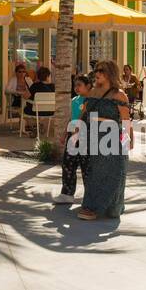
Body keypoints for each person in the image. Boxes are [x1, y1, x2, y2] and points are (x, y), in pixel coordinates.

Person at [76, 60, 131, 220]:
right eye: (96, 70)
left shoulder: (119, 94)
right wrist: (75, 131)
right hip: (94, 136)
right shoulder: (92, 92)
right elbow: (84, 114)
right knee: (95, 173)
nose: (97, 73)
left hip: (112, 136)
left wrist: (128, 141)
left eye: (101, 71)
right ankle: (91, 206)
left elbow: (126, 119)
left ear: (110, 74)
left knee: (115, 172)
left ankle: (112, 206)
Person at [56, 74, 92, 203]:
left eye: (79, 85)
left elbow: (84, 118)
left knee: (86, 166)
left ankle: (90, 195)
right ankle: (67, 194)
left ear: (88, 86)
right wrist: (65, 134)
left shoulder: (91, 100)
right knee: (68, 164)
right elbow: (71, 118)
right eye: (75, 85)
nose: (76, 88)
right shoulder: (74, 100)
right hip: (73, 136)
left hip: (85, 136)